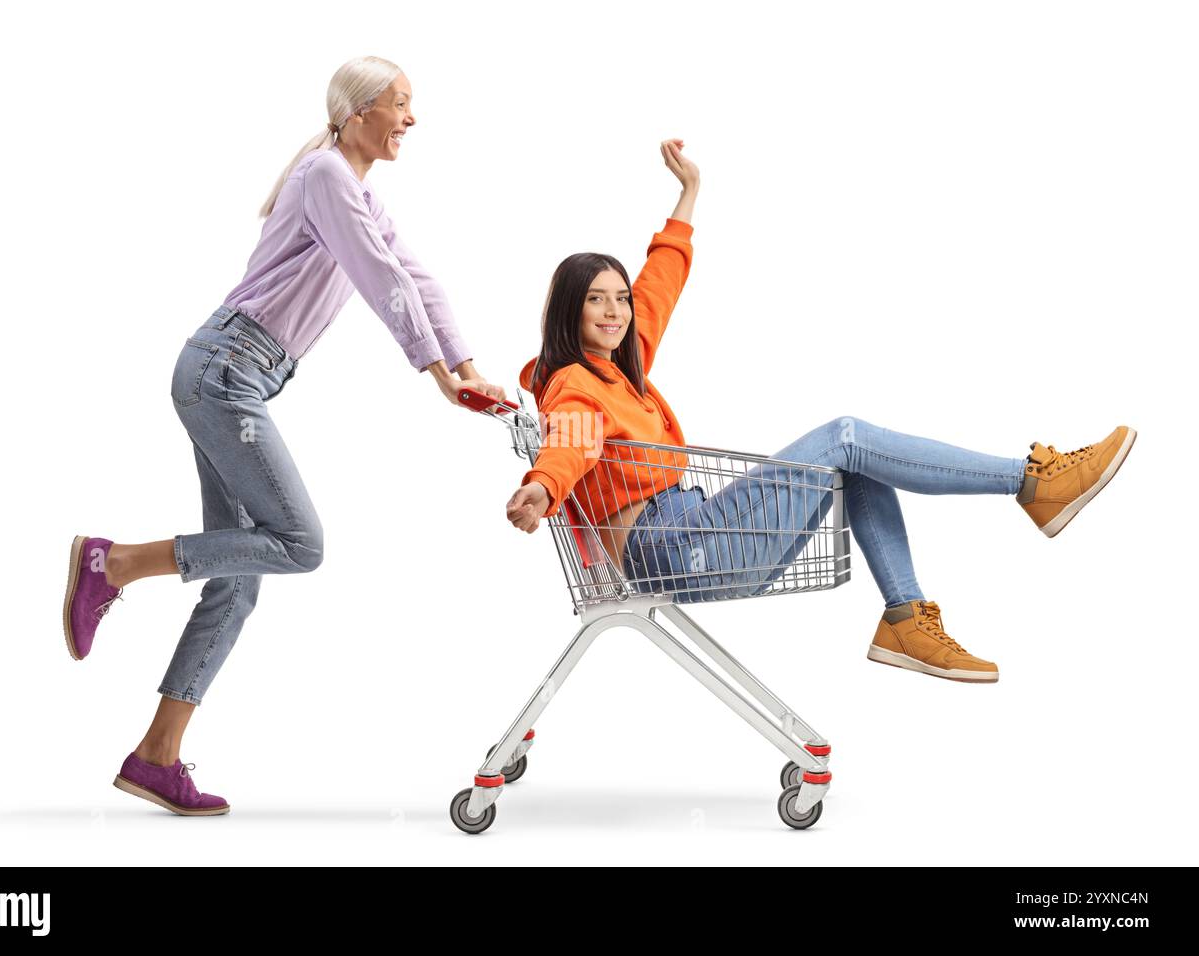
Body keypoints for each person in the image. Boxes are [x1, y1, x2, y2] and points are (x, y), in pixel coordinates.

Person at [505, 138, 1135, 685]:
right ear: (570, 311)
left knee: (857, 463)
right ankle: (1032, 482)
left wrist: (689, 194)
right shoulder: (574, 385)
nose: (615, 312)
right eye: (596, 301)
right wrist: (541, 487)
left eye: (618, 300)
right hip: (672, 547)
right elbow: (572, 442)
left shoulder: (621, 363)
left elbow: (659, 284)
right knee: (846, 436)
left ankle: (905, 620)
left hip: (695, 532)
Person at [63, 56, 504, 816]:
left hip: (237, 375)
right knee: (301, 542)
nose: (411, 118)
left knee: (238, 581)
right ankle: (117, 563)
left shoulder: (354, 190)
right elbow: (379, 279)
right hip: (225, 371)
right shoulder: (328, 175)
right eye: (400, 104)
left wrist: (467, 365)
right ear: (360, 109)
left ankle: (156, 755)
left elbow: (415, 276)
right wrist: (436, 375)